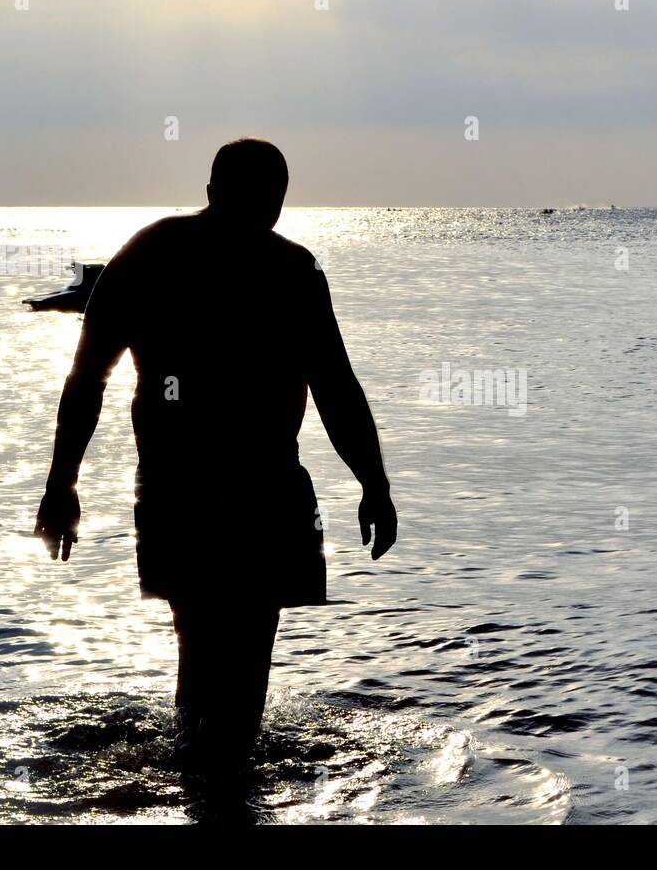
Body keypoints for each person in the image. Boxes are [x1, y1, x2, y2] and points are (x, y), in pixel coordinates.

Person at [33, 139, 397, 772]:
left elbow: (86, 379)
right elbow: (336, 387)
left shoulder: (149, 252)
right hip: (259, 491)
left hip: (181, 491)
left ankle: (197, 782)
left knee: (198, 646)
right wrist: (374, 485)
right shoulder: (290, 270)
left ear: (211, 191)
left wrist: (62, 485)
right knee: (245, 655)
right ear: (275, 202)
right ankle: (220, 790)